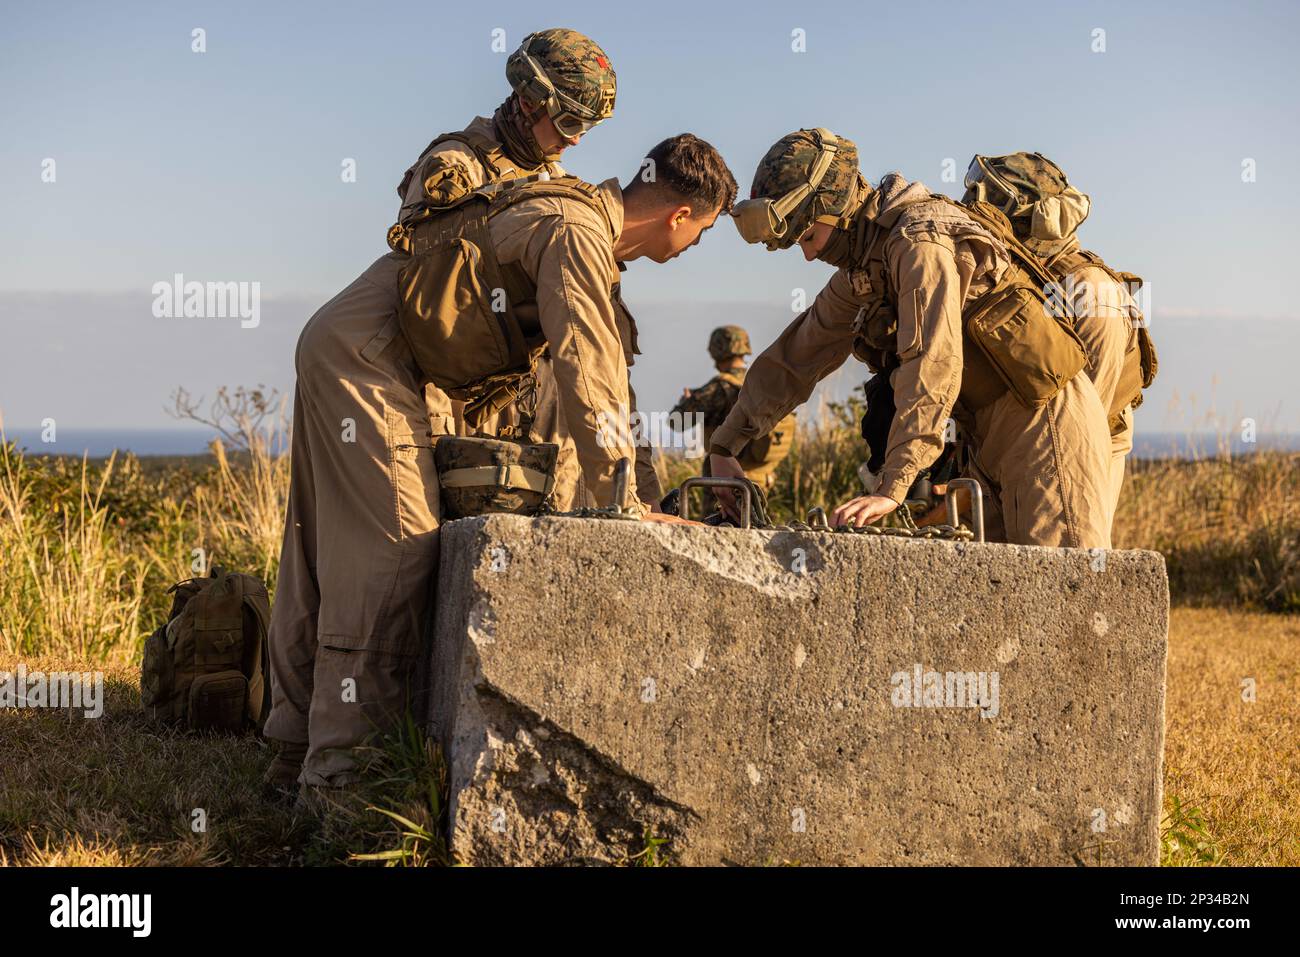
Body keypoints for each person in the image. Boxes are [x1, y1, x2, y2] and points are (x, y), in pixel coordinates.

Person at [263, 133, 736, 800]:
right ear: (680, 216)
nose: (691, 249)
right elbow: (590, 369)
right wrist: (621, 498)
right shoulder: (578, 232)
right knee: (397, 552)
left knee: (318, 548)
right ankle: (343, 787)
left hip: (347, 340)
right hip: (369, 361)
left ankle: (288, 753)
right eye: (703, 232)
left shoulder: (561, 205)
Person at [712, 128, 1113, 548]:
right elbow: (796, 357)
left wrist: (893, 485)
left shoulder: (920, 241)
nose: (809, 254)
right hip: (985, 446)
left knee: (1059, 592)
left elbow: (933, 361)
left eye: (809, 237)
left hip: (1045, 429)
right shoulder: (864, 267)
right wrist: (727, 446)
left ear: (837, 208)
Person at [963, 152, 1155, 514]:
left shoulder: (1090, 292)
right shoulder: (1029, 274)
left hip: (1081, 453)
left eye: (995, 200)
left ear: (1037, 219)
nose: (979, 208)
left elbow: (1082, 420)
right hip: (1019, 448)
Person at [671, 325, 796, 492]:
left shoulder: (720, 387)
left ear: (716, 351)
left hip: (725, 478)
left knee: (717, 519)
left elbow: (677, 422)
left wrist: (685, 402)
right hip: (763, 480)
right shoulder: (759, 383)